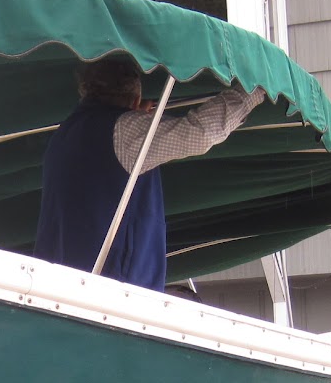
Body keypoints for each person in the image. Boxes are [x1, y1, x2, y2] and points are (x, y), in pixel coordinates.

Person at [35, 60, 266, 290]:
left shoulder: (62, 136)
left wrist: (133, 117)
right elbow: (199, 133)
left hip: (57, 284)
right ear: (135, 99)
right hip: (114, 289)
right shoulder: (125, 130)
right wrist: (254, 91)